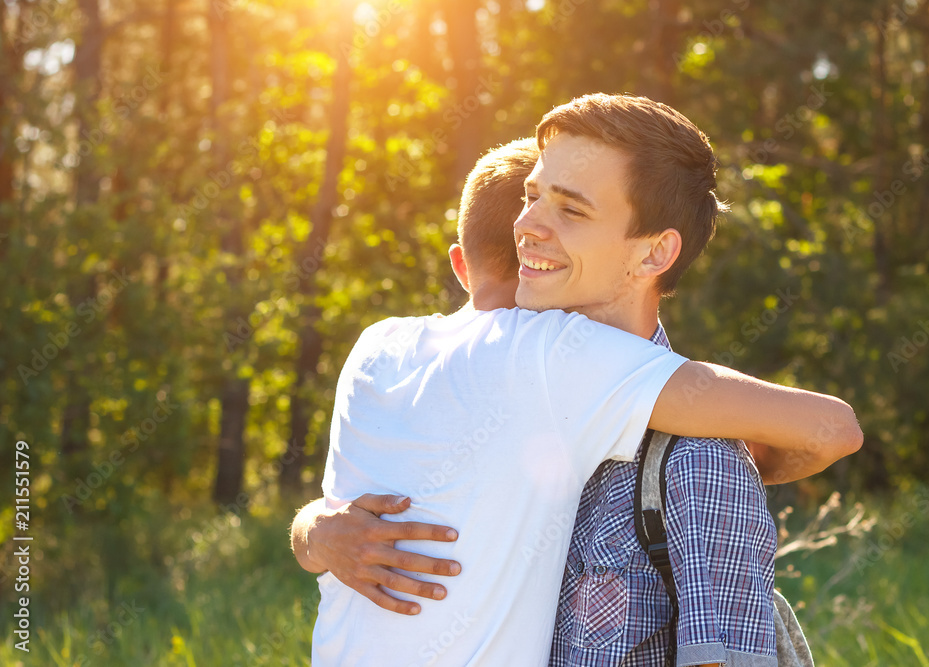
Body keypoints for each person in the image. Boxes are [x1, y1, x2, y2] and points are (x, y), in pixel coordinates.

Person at [295, 96, 862, 666]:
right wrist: (316, 528)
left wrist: (719, 460)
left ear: (654, 253)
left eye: (572, 210)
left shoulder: (693, 458)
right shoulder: (513, 375)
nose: (526, 226)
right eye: (531, 196)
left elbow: (833, 430)